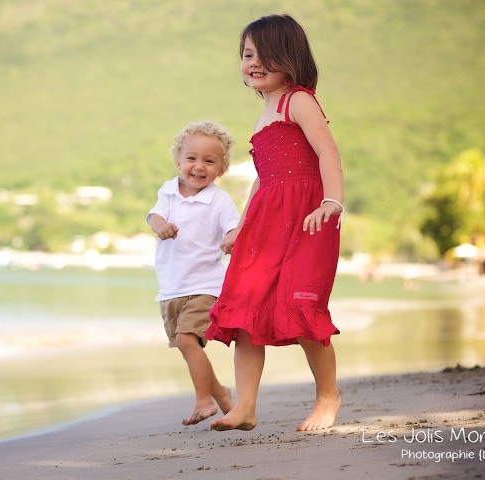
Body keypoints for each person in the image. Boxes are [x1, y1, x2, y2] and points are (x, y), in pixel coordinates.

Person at [205, 14, 345, 432]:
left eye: (265, 55)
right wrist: (241, 228)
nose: (253, 63)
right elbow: (263, 180)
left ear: (290, 57)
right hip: (267, 222)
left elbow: (327, 153)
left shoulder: (297, 99)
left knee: (302, 308)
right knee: (245, 310)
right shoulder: (264, 111)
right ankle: (245, 406)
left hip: (308, 219)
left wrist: (332, 200)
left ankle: (328, 395)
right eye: (247, 55)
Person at [147, 120, 240, 426]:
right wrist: (162, 227)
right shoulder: (168, 191)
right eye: (192, 158)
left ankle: (204, 401)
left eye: (209, 161)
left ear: (221, 169)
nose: (199, 167)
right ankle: (222, 395)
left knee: (188, 340)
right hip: (172, 286)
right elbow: (155, 215)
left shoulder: (219, 200)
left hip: (206, 285)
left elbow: (234, 228)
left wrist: (230, 238)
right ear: (179, 161)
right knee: (186, 346)